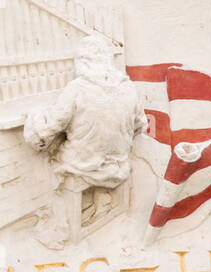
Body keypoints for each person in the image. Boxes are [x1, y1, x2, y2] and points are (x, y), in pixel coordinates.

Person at [22, 35, 147, 196]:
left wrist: (34, 115)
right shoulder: (128, 87)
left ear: (82, 62)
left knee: (54, 151)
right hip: (119, 164)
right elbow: (140, 125)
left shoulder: (77, 88)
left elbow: (46, 130)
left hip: (85, 167)